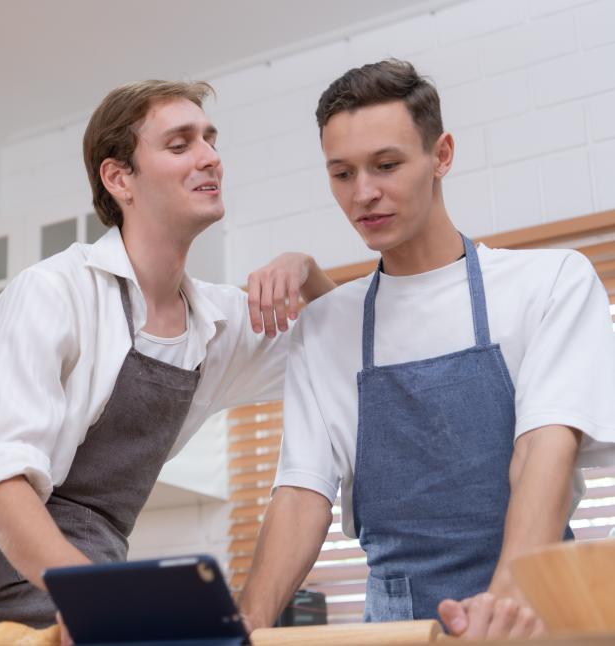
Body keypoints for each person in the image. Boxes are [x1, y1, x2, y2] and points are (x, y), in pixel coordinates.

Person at [0, 80, 336, 630]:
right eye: (180, 145)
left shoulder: (219, 324)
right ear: (119, 178)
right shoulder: (53, 291)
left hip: (96, 567)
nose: (210, 158)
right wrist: (96, 600)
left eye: (210, 140)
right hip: (6, 575)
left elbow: (348, 347)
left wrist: (306, 268)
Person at [239, 60, 615, 640]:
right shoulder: (326, 326)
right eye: (342, 173)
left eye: (387, 165)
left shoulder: (549, 283)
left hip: (528, 619)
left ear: (441, 155)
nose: (364, 194)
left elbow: (543, 450)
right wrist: (248, 622)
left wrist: (505, 600)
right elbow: (302, 491)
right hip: (398, 631)